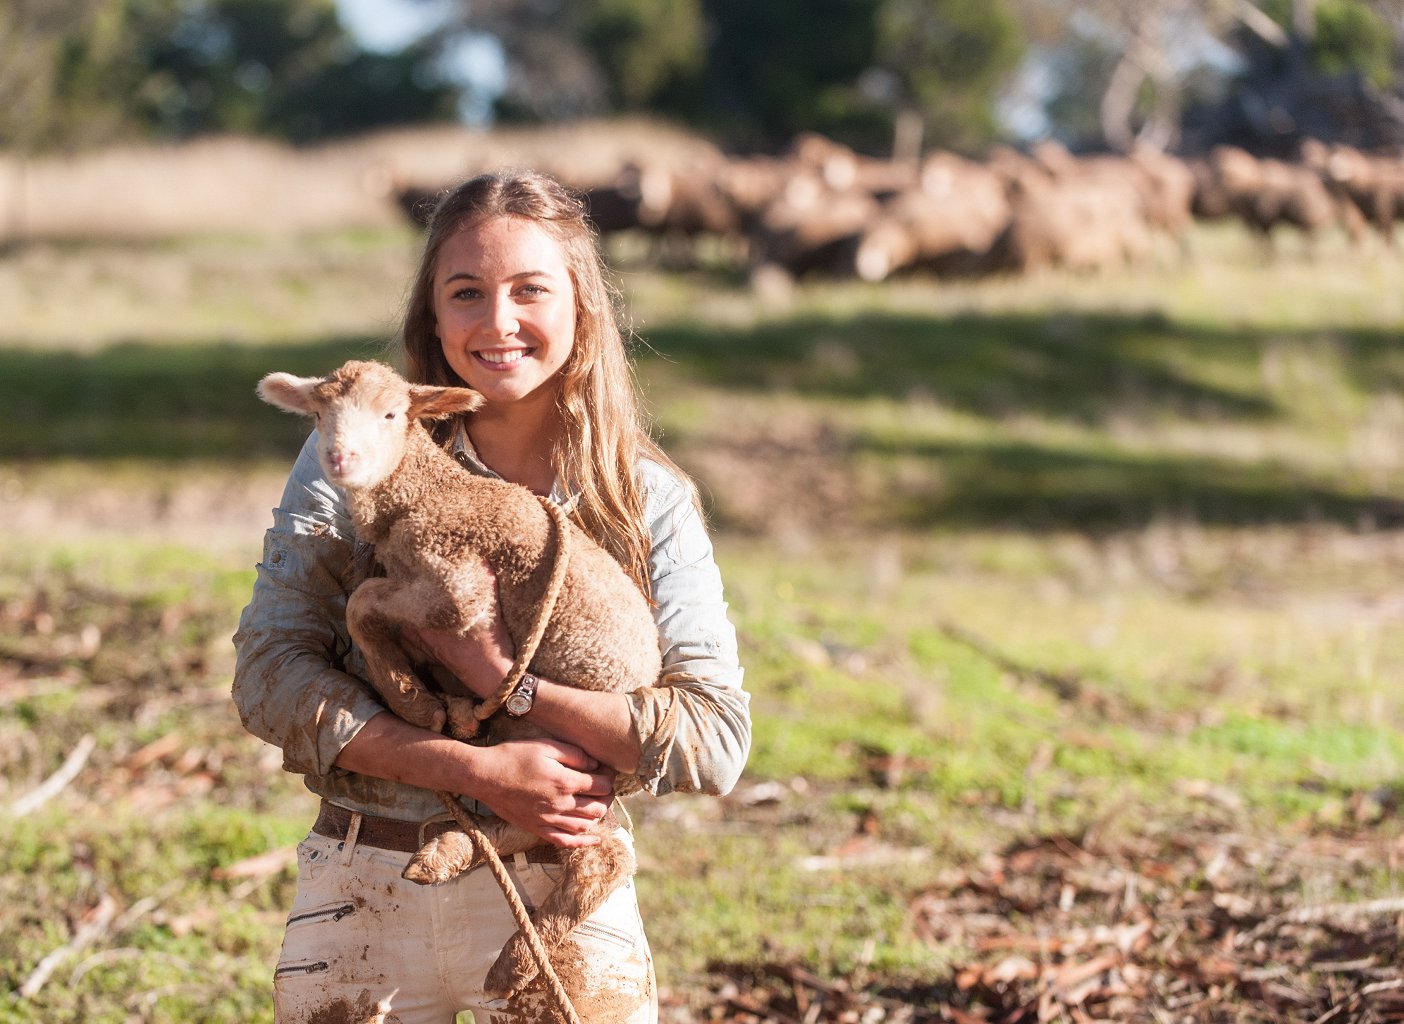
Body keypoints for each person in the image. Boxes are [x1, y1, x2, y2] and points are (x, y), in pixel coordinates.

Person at [232, 169, 750, 1024]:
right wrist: (473, 768)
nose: (498, 322)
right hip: (366, 878)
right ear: (431, 317)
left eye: (530, 291)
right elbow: (269, 675)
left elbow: (716, 739)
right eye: (466, 292)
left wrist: (518, 688)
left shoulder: (642, 497)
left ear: (582, 306)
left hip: (563, 894)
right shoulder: (356, 456)